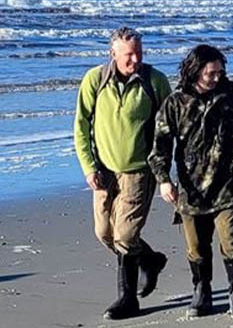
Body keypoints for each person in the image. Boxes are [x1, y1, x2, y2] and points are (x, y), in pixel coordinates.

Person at [148, 44, 233, 319]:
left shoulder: (229, 92)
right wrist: (163, 180)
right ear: (195, 71)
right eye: (211, 73)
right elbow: (161, 146)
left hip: (227, 183)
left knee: (232, 239)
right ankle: (202, 291)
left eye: (220, 72)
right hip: (191, 189)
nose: (217, 77)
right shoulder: (175, 102)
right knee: (196, 247)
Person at [73, 26, 172, 320]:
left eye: (139, 53)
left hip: (139, 171)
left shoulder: (155, 81)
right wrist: (89, 167)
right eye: (128, 54)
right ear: (112, 53)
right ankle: (151, 260)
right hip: (103, 172)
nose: (135, 59)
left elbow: (168, 129)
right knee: (104, 233)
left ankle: (127, 299)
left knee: (126, 236)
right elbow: (81, 126)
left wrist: (164, 171)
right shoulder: (95, 79)